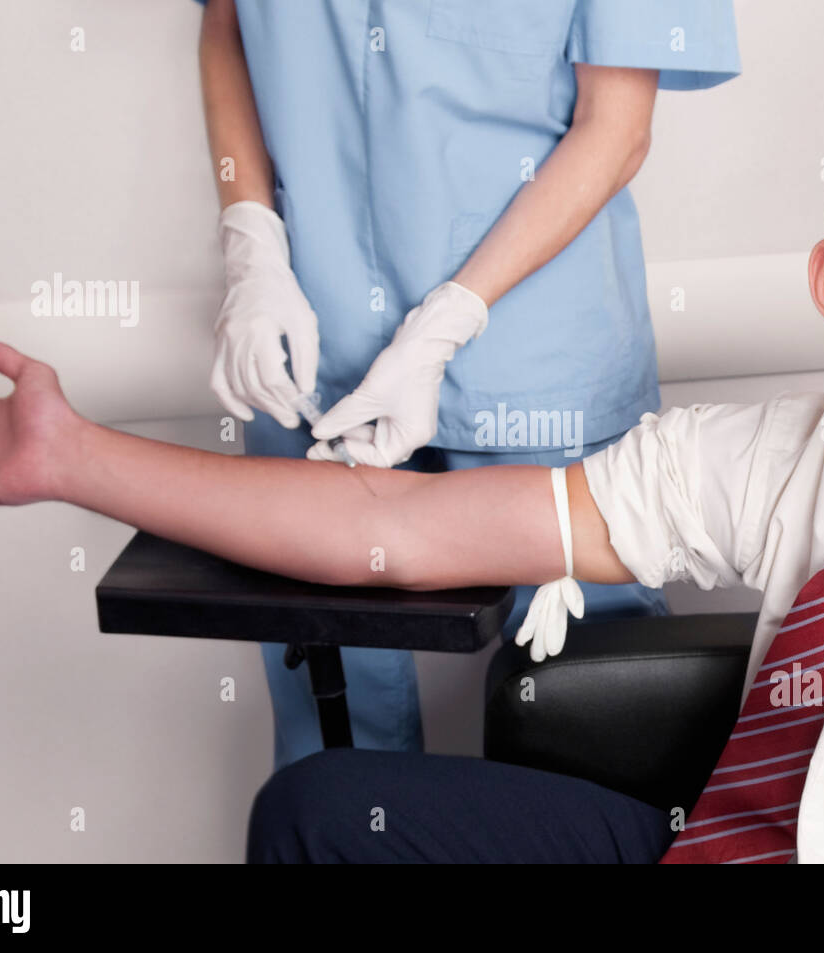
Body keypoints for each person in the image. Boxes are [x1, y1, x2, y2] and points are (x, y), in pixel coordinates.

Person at [0, 61, 824, 863]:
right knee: (323, 814)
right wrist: (71, 457)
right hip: (736, 845)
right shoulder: (795, 458)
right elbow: (397, 529)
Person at [194, 0, 742, 768]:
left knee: (591, 717)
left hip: (536, 357)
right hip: (311, 351)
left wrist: (450, 317)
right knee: (335, 734)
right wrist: (250, 240)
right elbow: (227, 25)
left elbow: (615, 127)